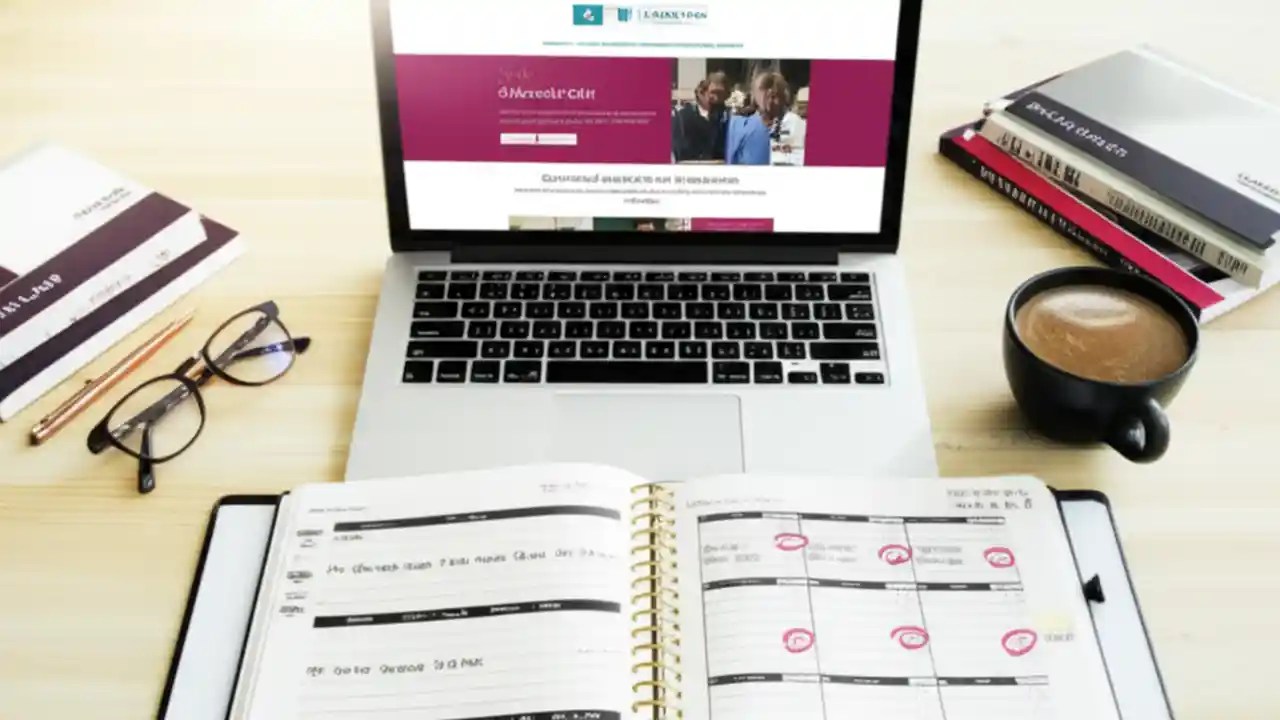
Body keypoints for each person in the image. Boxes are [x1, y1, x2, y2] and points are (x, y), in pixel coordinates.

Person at [725, 71, 791, 166]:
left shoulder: (793, 125)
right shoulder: (739, 125)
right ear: (755, 95)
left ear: (783, 98)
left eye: (774, 95)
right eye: (764, 94)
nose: (769, 101)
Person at [671, 72, 728, 163]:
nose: (716, 98)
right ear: (701, 93)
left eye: (720, 93)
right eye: (713, 93)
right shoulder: (682, 117)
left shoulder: (727, 119)